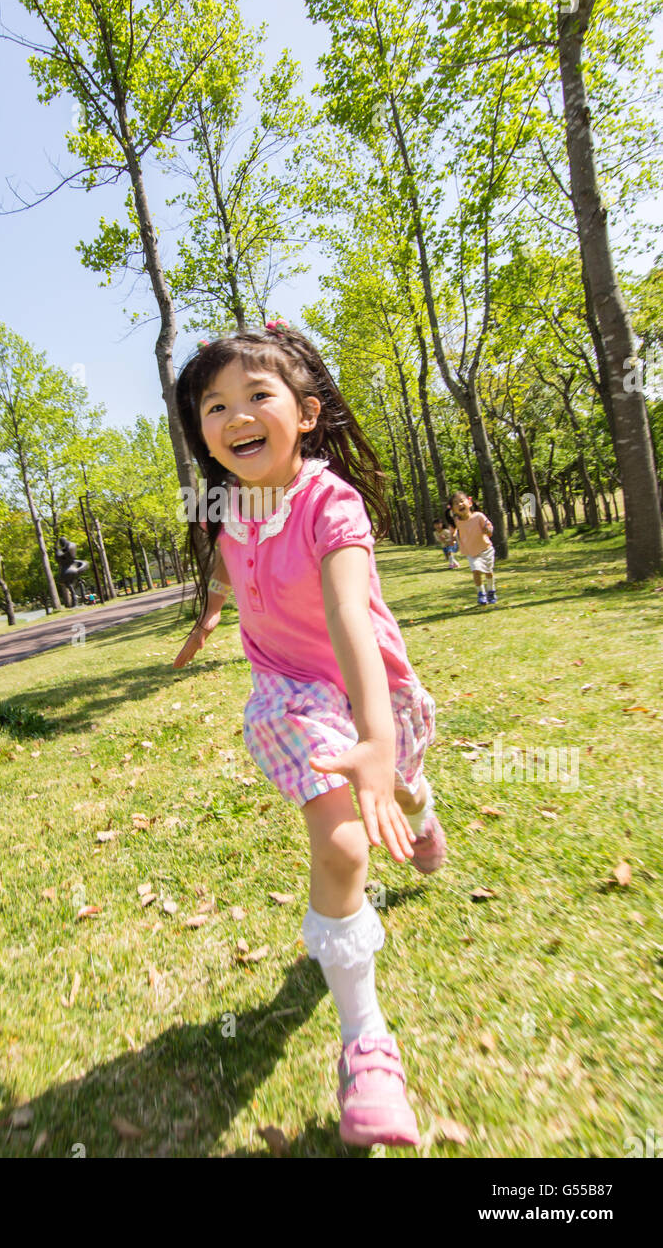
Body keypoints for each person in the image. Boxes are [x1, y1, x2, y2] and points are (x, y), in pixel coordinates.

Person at [172, 321, 446, 1149]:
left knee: (395, 786)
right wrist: (207, 619)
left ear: (306, 412)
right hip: (288, 698)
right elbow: (231, 568)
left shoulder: (333, 503)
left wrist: (376, 739)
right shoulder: (227, 507)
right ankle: (367, 1047)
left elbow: (347, 619)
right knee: (346, 849)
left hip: (372, 689)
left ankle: (420, 808)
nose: (235, 414)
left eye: (258, 394)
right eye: (213, 405)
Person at [449, 491, 496, 606]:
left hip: (485, 549)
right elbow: (454, 532)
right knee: (476, 571)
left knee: (488, 572)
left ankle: (491, 590)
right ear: (453, 510)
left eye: (461, 501)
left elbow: (489, 529)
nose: (460, 504)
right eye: (456, 503)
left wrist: (487, 530)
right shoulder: (457, 521)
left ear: (469, 503)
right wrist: (453, 539)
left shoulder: (478, 516)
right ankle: (481, 593)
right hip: (471, 552)